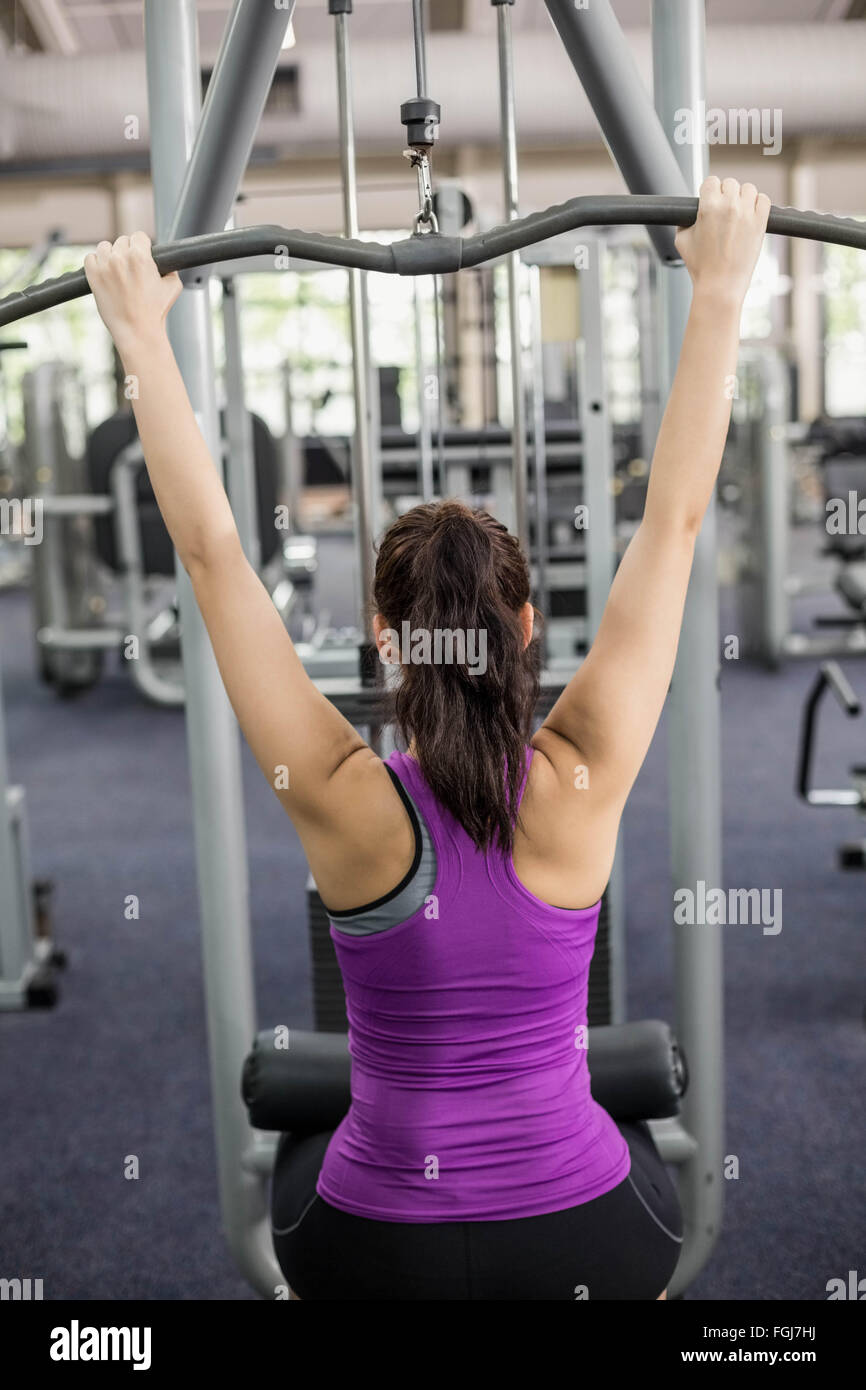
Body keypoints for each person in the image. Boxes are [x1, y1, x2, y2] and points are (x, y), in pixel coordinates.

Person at [85, 175, 770, 1301]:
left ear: (384, 640)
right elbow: (674, 519)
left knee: (303, 1158)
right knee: (641, 1165)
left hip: (373, 1251)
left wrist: (140, 340)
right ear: (526, 627)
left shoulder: (342, 794)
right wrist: (720, 290)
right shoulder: (578, 774)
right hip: (580, 1246)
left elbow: (212, 551)